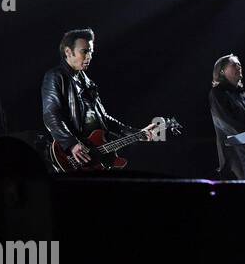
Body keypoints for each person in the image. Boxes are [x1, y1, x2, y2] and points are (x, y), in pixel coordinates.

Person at [41, 28, 159, 168]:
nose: (89, 56)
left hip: (96, 153)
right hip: (73, 155)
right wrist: (71, 143)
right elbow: (51, 114)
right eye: (84, 51)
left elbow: (103, 118)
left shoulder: (87, 82)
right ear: (68, 52)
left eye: (91, 51)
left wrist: (137, 133)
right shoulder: (55, 77)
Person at [208, 53, 245, 180]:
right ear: (222, 71)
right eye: (234, 64)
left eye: (239, 64)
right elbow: (225, 122)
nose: (239, 66)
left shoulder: (241, 93)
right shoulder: (217, 93)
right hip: (237, 152)